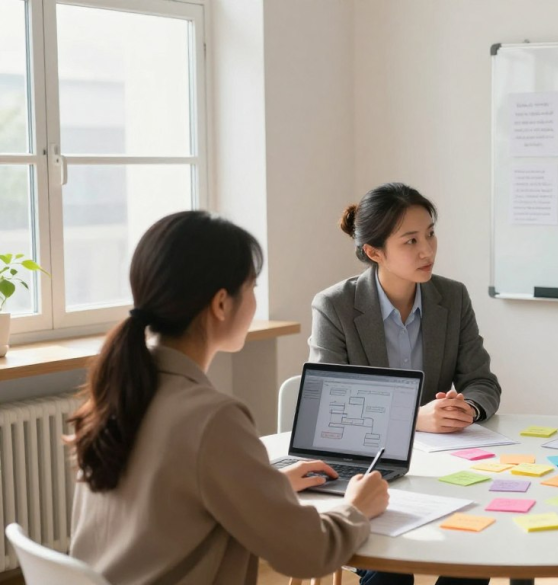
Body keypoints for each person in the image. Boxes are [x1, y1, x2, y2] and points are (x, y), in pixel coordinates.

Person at [68, 211, 390, 584]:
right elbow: (308, 554)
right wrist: (355, 508)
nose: (254, 302)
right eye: (252, 288)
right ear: (221, 304)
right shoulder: (211, 417)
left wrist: (269, 486)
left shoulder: (119, 390)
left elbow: (175, 502)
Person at [309, 183, 498, 585]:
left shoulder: (452, 297)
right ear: (375, 252)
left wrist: (467, 408)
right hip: (367, 469)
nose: (427, 250)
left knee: (476, 551)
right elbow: (330, 406)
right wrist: (413, 418)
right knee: (388, 567)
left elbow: (481, 380)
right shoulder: (335, 306)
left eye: (430, 233)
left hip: (443, 467)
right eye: (410, 240)